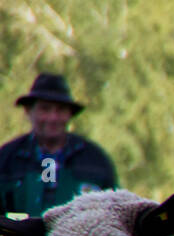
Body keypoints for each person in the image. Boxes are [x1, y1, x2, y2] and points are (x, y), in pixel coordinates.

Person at [0, 73, 117, 216]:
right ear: (28, 111)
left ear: (70, 114)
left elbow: (115, 214)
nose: (53, 117)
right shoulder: (6, 159)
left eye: (60, 110)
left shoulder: (95, 161)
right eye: (45, 108)